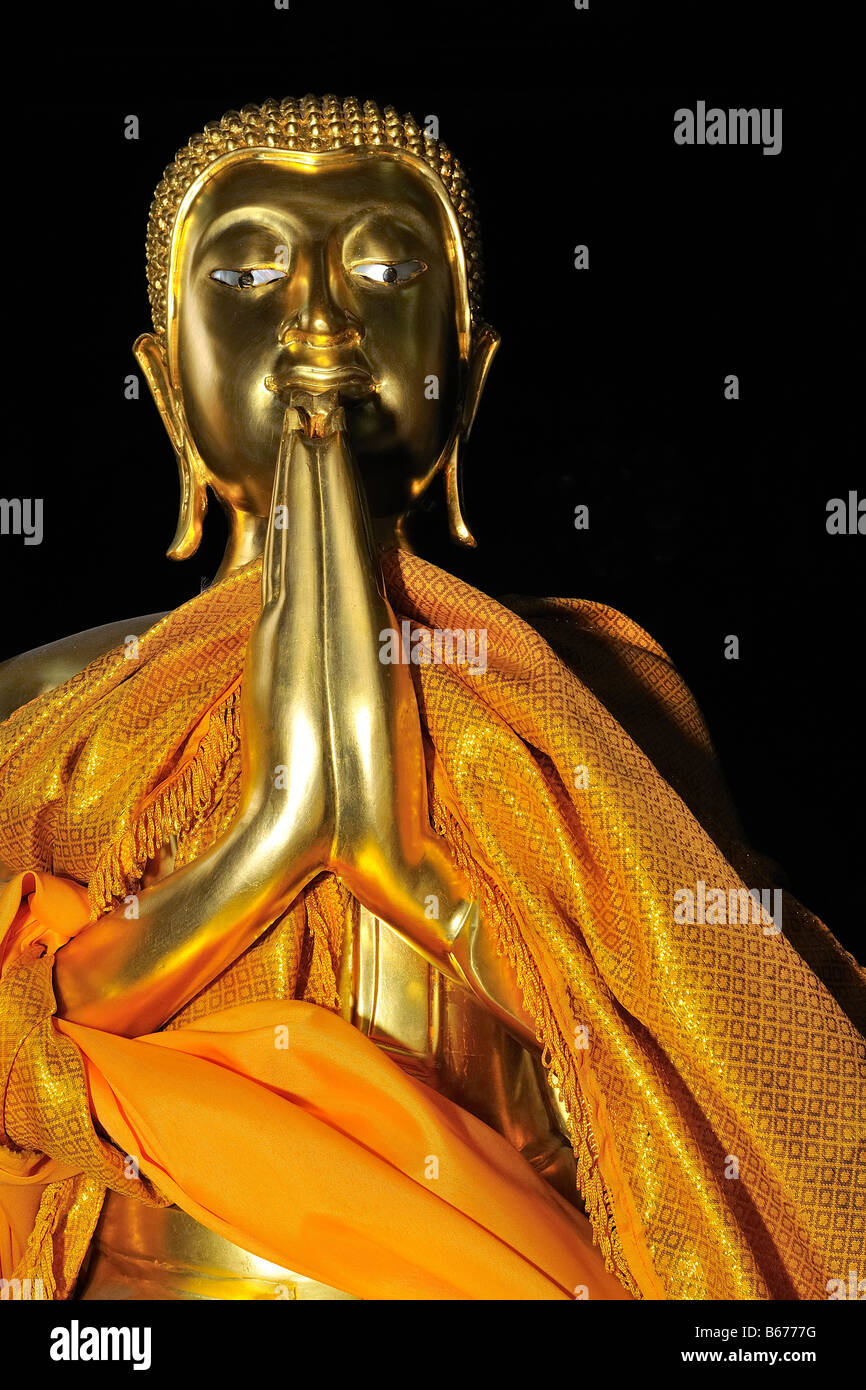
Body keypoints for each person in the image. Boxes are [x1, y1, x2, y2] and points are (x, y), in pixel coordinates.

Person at [0, 96, 862, 1302]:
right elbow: (18, 1086)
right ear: (163, 375)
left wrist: (422, 886)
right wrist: (263, 848)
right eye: (246, 268)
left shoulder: (593, 701)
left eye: (385, 265)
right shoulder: (48, 708)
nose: (315, 318)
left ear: (465, 382)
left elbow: (665, 1111)